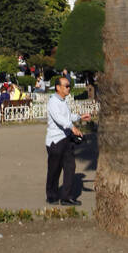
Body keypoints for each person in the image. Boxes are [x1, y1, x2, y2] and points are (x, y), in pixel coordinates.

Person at [45, 75, 83, 205]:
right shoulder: (52, 102)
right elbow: (59, 119)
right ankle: (51, 195)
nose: (69, 88)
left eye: (69, 86)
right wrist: (73, 128)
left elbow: (67, 116)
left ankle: (66, 197)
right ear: (58, 87)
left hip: (66, 139)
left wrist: (79, 117)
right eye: (66, 86)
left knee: (70, 167)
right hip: (55, 141)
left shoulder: (63, 101)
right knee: (54, 170)